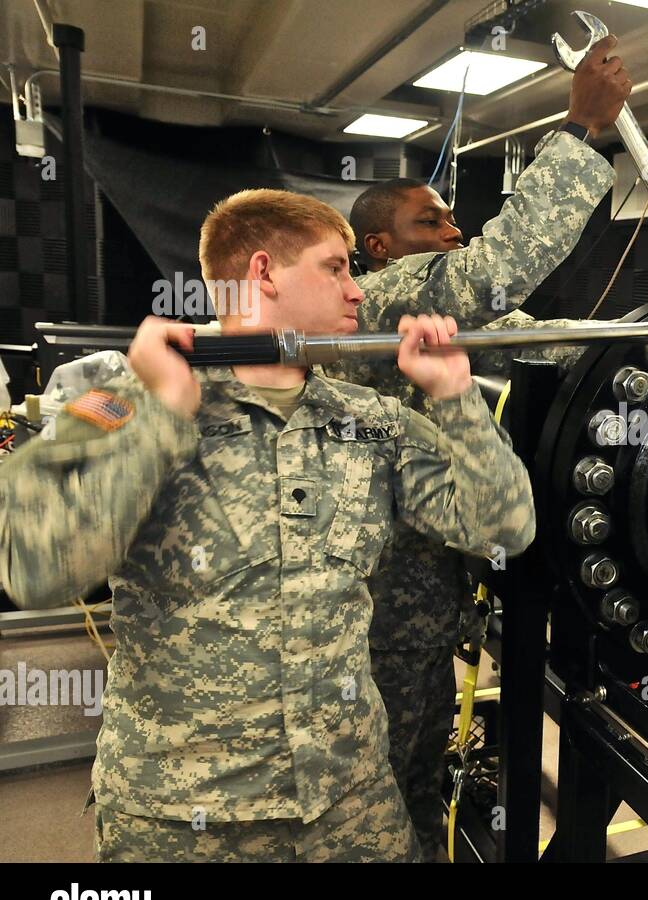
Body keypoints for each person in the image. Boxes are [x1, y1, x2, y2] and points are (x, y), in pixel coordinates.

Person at [0, 189, 535, 862]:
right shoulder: (125, 396)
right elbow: (35, 567)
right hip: (181, 817)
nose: (355, 292)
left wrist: (456, 399)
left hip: (346, 800)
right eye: (335, 268)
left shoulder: (370, 418)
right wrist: (160, 414)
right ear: (263, 273)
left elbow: (505, 528)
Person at [335, 35, 629, 860]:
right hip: (378, 617)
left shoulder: (443, 315)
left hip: (425, 611)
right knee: (383, 797)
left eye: (453, 215)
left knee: (417, 784)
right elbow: (500, 271)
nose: (454, 230)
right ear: (379, 250)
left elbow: (552, 341)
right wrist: (580, 131)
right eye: (430, 220)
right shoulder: (384, 299)